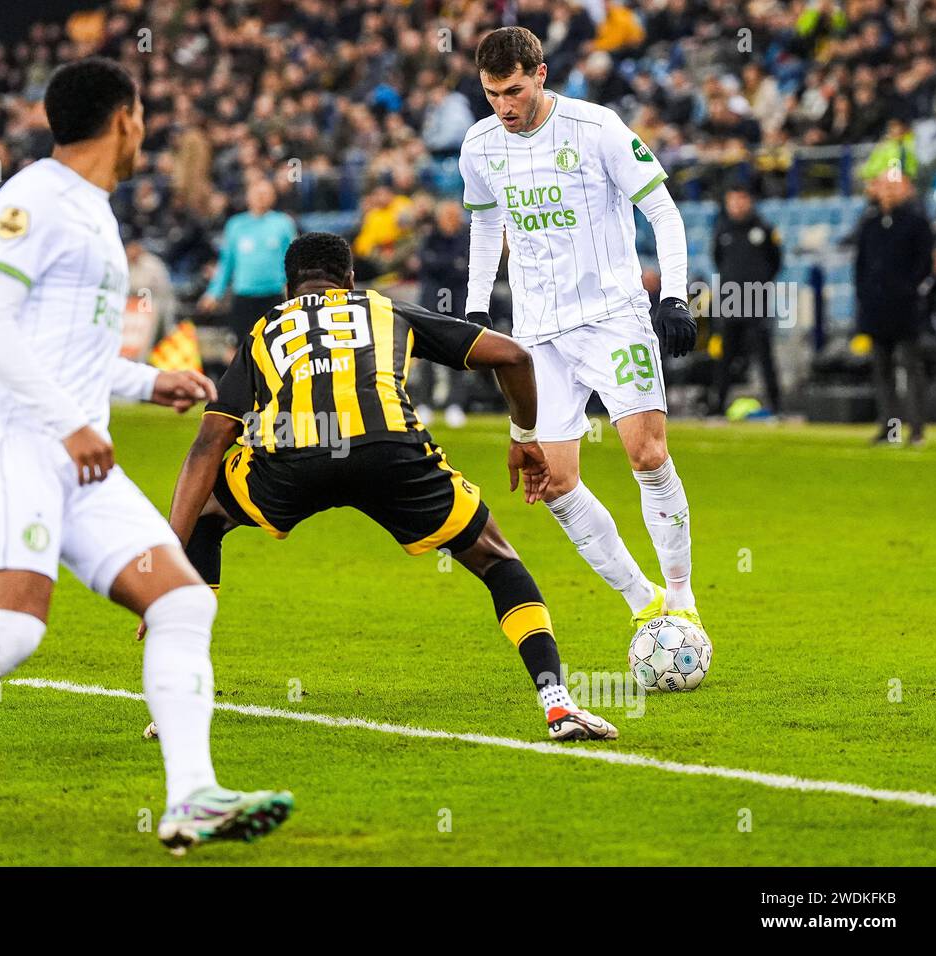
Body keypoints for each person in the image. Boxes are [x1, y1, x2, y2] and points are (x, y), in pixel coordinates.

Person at [0, 58, 292, 861]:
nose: (146, 132)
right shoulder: (32, 197)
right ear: (125, 119)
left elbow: (65, 352)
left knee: (180, 601)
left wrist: (148, 382)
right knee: (12, 630)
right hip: (13, 446)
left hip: (77, 458)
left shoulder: (96, 213)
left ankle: (192, 799)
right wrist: (71, 424)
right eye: (142, 117)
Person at [163, 231, 619, 743]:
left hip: (293, 459)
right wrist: (524, 438)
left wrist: (169, 557)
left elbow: (211, 439)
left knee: (205, 518)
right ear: (351, 280)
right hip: (390, 452)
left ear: (287, 290)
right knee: (497, 560)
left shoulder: (267, 328)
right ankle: (558, 705)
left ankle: (178, 697)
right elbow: (513, 356)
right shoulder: (383, 309)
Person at [458, 27, 703, 637]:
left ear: (540, 75)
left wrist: (672, 295)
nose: (504, 107)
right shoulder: (480, 145)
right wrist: (476, 310)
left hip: (614, 318)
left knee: (647, 454)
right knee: (555, 480)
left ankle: (682, 598)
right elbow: (486, 227)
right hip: (538, 334)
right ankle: (642, 601)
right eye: (491, 94)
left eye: (513, 90)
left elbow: (663, 212)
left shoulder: (597, 128)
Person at [855, 172, 934, 445]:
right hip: (877, 308)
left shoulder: (916, 223)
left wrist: (909, 290)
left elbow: (924, 262)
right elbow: (861, 265)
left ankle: (917, 429)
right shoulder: (870, 224)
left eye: (894, 186)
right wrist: (864, 295)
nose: (887, 191)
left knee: (912, 368)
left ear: (907, 189)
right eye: (883, 186)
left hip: (906, 308)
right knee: (882, 370)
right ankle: (890, 428)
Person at [710, 185, 784, 415]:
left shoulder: (763, 229)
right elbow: (718, 260)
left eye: (741, 200)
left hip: (756, 302)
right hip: (730, 302)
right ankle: (717, 405)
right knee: (726, 356)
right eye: (733, 200)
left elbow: (775, 261)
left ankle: (776, 405)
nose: (737, 205)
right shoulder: (722, 230)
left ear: (749, 201)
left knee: (764, 355)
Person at [197, 178, 296, 347]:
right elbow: (226, 263)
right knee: (242, 348)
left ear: (273, 197)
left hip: (273, 296)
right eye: (257, 193)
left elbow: (294, 259)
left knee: (276, 347)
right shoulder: (236, 225)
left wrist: (294, 289)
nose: (261, 197)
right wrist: (213, 293)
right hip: (244, 296)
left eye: (266, 194)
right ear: (248, 196)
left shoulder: (283, 224)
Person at [409, 200, 477, 428]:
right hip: (431, 301)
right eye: (447, 216)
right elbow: (426, 265)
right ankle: (423, 403)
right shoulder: (429, 238)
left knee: (457, 354)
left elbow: (466, 268)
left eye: (454, 216)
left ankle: (455, 404)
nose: (451, 221)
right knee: (425, 354)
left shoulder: (467, 237)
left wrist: (443, 266)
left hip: (458, 301)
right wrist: (451, 265)